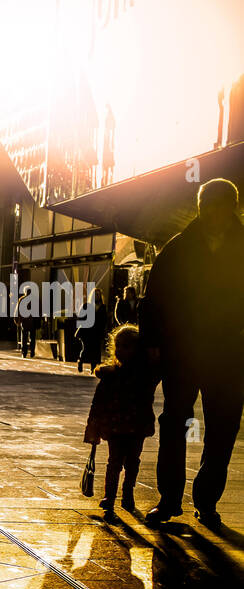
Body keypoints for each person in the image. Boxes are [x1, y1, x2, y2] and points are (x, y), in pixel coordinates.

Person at [142, 178, 244, 529]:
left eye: (220, 206)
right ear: (201, 208)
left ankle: (206, 500)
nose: (213, 214)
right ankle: (169, 500)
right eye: (208, 207)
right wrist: (154, 344)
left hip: (228, 354)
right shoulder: (179, 247)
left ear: (231, 207)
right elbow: (153, 298)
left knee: (223, 426)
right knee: (175, 423)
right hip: (183, 351)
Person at [83, 324, 156, 518]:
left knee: (132, 462)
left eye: (126, 346)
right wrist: (93, 427)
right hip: (115, 427)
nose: (121, 351)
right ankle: (110, 496)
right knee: (114, 462)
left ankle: (128, 493)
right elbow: (97, 403)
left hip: (136, 426)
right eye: (118, 347)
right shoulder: (110, 375)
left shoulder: (145, 375)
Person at [76, 287, 109, 373]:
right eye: (95, 294)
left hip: (97, 332)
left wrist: (104, 331)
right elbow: (81, 317)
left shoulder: (103, 307)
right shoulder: (87, 305)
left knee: (96, 350)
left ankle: (93, 368)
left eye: (98, 294)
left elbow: (104, 320)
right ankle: (81, 361)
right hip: (86, 331)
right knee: (86, 348)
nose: (97, 296)